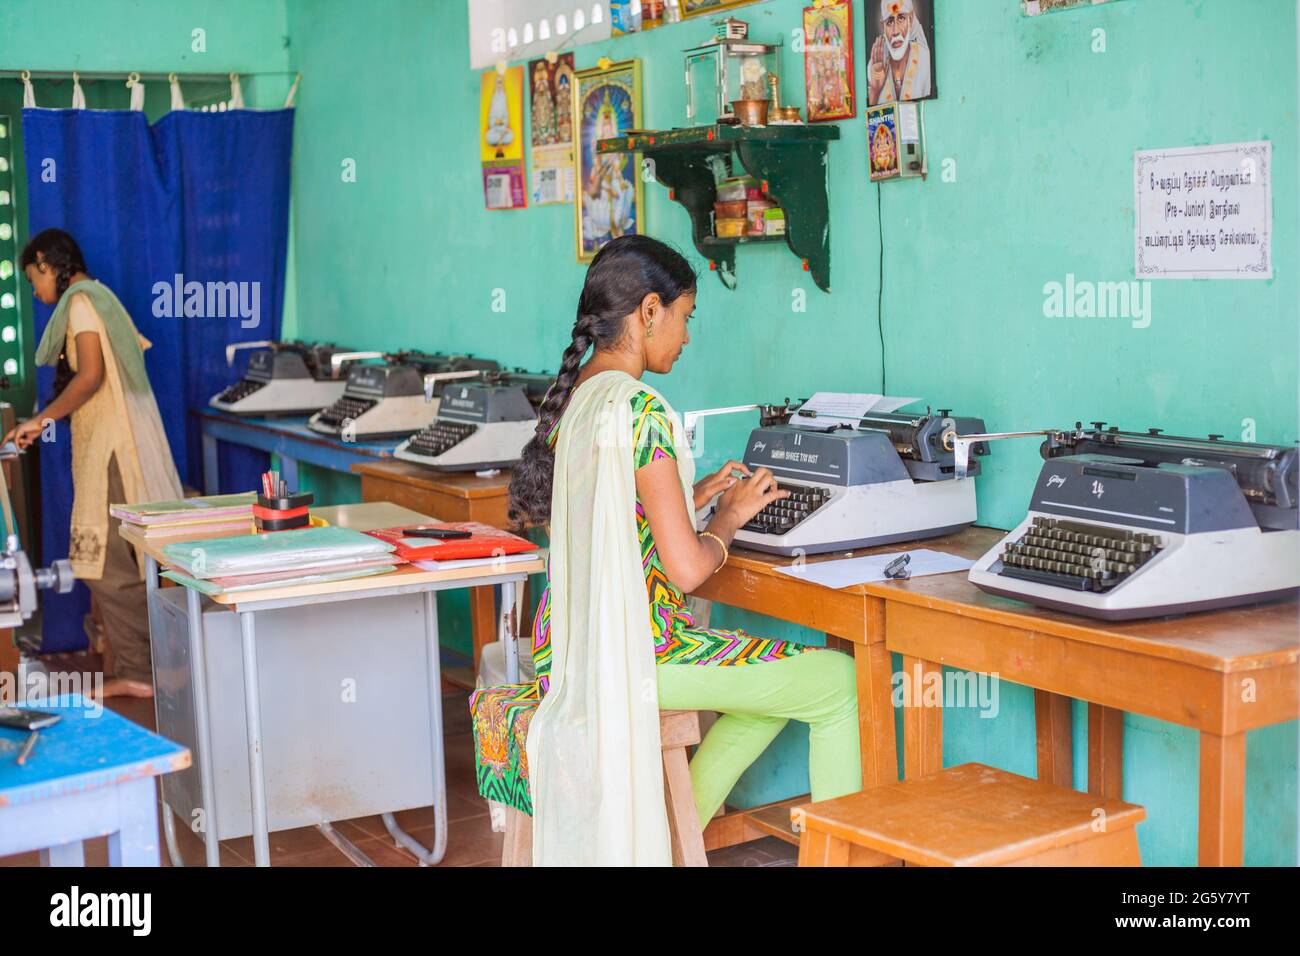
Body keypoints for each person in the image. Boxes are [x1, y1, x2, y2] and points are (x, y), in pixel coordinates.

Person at [472, 235, 861, 865]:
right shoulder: (643, 411)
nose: (685, 337)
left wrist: (688, 494)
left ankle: (668, 835)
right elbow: (686, 571)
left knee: (775, 690)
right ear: (649, 310)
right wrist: (727, 519)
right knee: (837, 682)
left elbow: (605, 515)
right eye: (684, 319)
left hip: (565, 647)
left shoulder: (571, 398)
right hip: (634, 653)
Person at [5, 229, 182, 698]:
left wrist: (40, 421)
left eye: (33, 279)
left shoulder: (82, 302)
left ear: (46, 263)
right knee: (122, 562)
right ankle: (152, 668)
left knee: (104, 564)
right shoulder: (98, 296)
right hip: (115, 447)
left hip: (113, 451)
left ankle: (143, 674)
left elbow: (89, 378)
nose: (37, 292)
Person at [869, 0, 933, 105]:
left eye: (901, 18)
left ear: (911, 20)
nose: (895, 31)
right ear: (883, 27)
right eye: (889, 22)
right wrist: (875, 91)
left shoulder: (924, 59)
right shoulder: (874, 67)